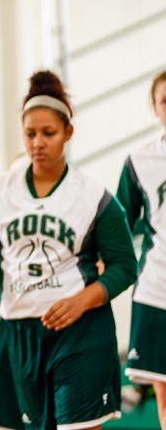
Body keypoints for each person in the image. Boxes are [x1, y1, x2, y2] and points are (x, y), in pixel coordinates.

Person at [0, 70, 137, 429]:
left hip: (80, 330)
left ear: (68, 133)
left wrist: (83, 300)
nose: (37, 142)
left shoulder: (94, 197)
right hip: (17, 333)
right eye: (30, 134)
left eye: (48, 133)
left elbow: (125, 266)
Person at [117, 70, 166, 428]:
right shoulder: (139, 161)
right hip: (157, 290)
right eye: (165, 101)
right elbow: (117, 224)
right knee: (164, 390)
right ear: (154, 108)